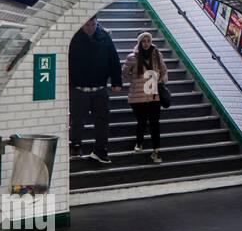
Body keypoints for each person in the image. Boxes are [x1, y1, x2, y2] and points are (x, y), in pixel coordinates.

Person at [68, 16, 123, 164]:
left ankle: (100, 150)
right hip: (79, 88)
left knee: (102, 121)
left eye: (93, 24)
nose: (90, 28)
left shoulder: (104, 37)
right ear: (82, 24)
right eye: (87, 25)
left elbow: (113, 59)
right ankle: (75, 146)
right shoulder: (73, 37)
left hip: (100, 88)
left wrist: (116, 81)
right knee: (77, 120)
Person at [123, 31, 167, 163]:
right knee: (141, 121)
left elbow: (164, 71)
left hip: (153, 94)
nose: (146, 43)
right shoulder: (132, 58)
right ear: (139, 42)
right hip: (137, 96)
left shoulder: (157, 55)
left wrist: (161, 80)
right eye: (144, 41)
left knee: (154, 123)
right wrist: (135, 81)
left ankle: (157, 151)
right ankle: (139, 142)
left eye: (148, 41)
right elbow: (124, 73)